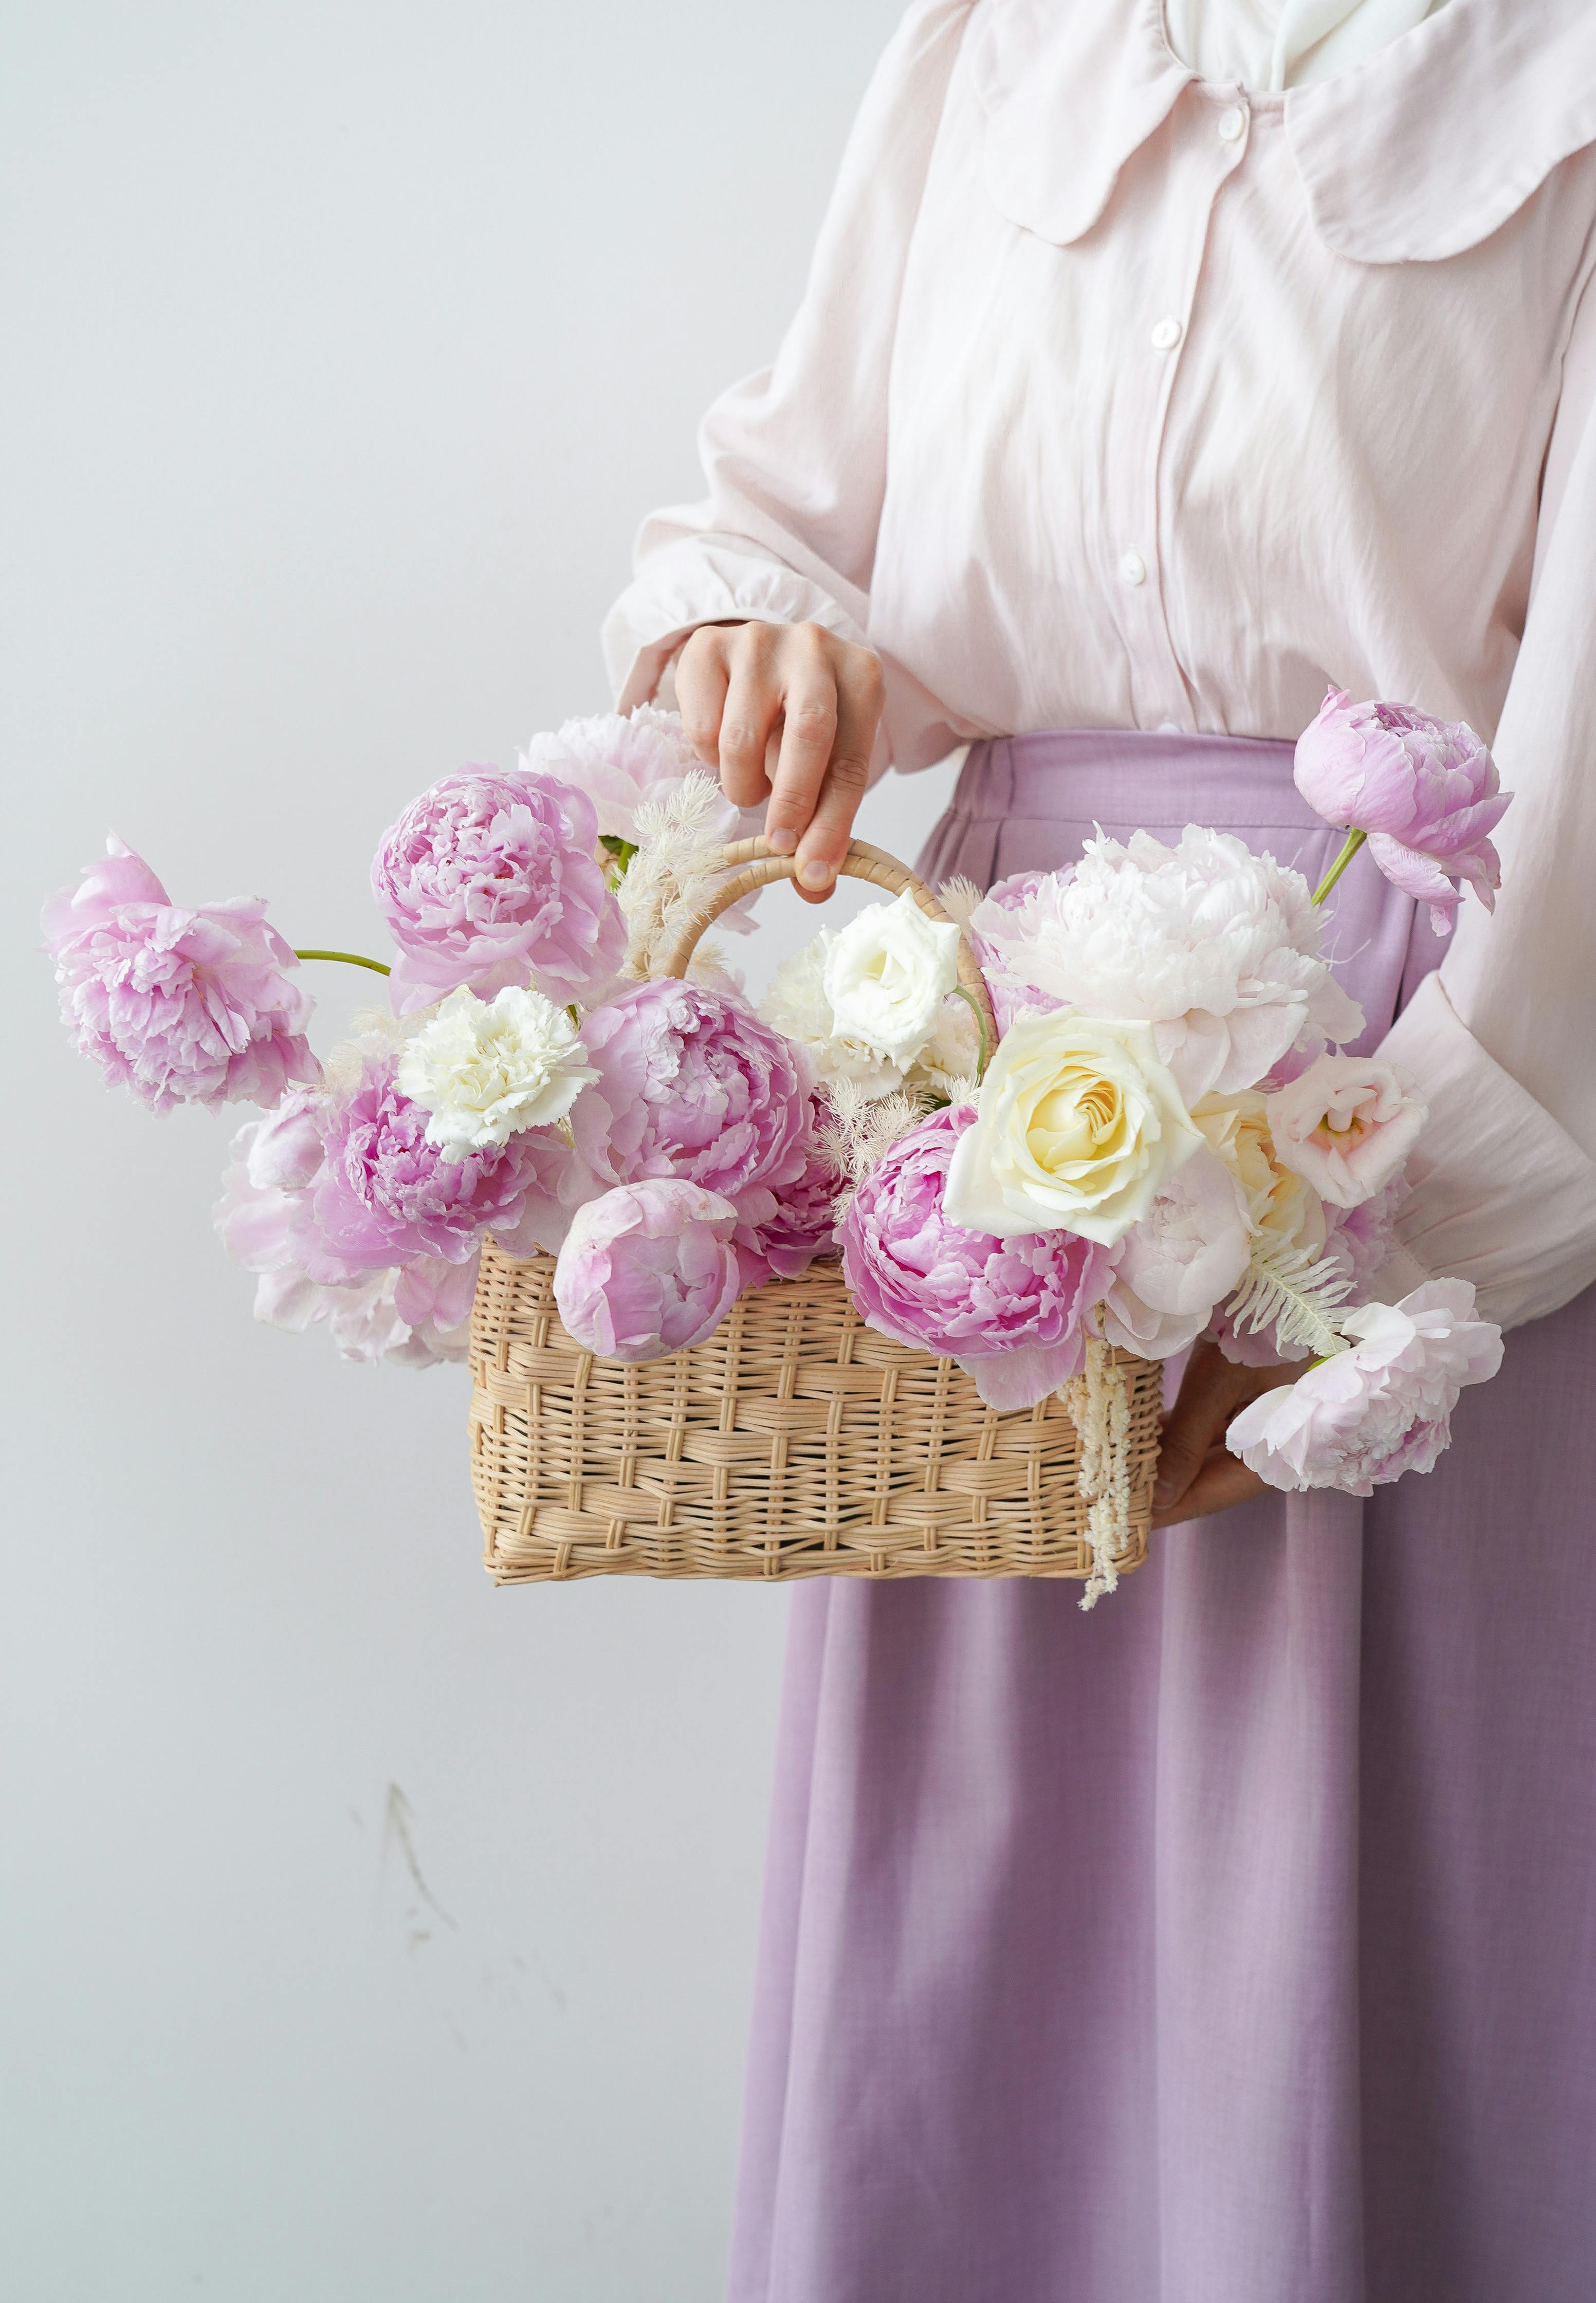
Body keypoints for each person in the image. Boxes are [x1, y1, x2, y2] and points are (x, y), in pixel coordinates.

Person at [604, 4, 1596, 2296]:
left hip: (1410, 1062)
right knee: (985, 1932)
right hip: (993, 1103)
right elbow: (786, 513)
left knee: (1421, 1916)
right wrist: (773, 642)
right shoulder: (997, 34)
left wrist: (1368, 1249)